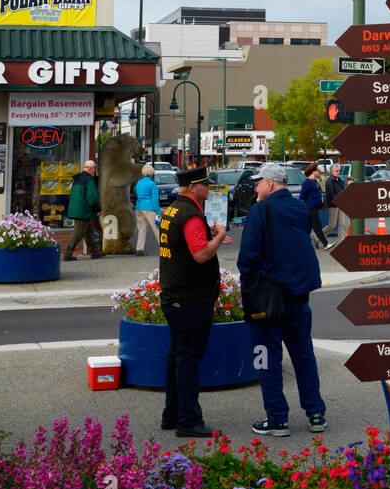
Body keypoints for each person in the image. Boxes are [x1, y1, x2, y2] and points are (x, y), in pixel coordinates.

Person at [237, 163, 326, 438]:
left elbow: (247, 258)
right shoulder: (300, 208)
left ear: (271, 184)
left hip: (270, 297)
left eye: (258, 182)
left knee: (266, 357)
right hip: (299, 295)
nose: (255, 187)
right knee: (303, 354)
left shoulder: (260, 210)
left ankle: (277, 419)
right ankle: (316, 414)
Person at [158, 164, 231, 439]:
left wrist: (209, 238)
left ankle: (172, 414)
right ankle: (189, 421)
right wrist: (220, 236)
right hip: (190, 299)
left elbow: (186, 245)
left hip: (174, 295)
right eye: (205, 184)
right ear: (192, 187)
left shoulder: (172, 210)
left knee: (177, 355)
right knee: (188, 359)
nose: (208, 188)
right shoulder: (190, 215)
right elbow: (201, 255)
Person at [63, 160, 102, 260]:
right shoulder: (89, 180)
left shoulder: (77, 179)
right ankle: (67, 253)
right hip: (83, 211)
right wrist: (98, 208)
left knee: (88, 231)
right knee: (78, 233)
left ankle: (95, 252)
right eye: (94, 168)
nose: (95, 170)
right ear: (90, 168)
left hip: (77, 209)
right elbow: (92, 197)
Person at [133, 163, 160, 255]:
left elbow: (135, 194)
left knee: (141, 229)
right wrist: (158, 212)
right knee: (156, 229)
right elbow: (155, 199)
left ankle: (139, 249)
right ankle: (163, 248)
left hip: (139, 207)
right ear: (151, 173)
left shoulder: (138, 183)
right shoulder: (152, 184)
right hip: (149, 208)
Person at [300, 162, 328, 249]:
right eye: (318, 170)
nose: (319, 172)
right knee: (317, 226)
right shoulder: (307, 182)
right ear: (313, 171)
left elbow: (318, 193)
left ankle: (305, 244)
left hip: (315, 208)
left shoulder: (315, 181)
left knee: (308, 227)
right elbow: (302, 196)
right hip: (310, 208)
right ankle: (326, 244)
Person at [325, 163, 348, 240]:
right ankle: (318, 237)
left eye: (339, 171)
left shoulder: (339, 180)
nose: (338, 172)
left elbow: (343, 190)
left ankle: (341, 242)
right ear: (332, 171)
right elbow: (331, 194)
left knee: (342, 224)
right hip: (333, 205)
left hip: (340, 205)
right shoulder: (329, 181)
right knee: (332, 225)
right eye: (336, 171)